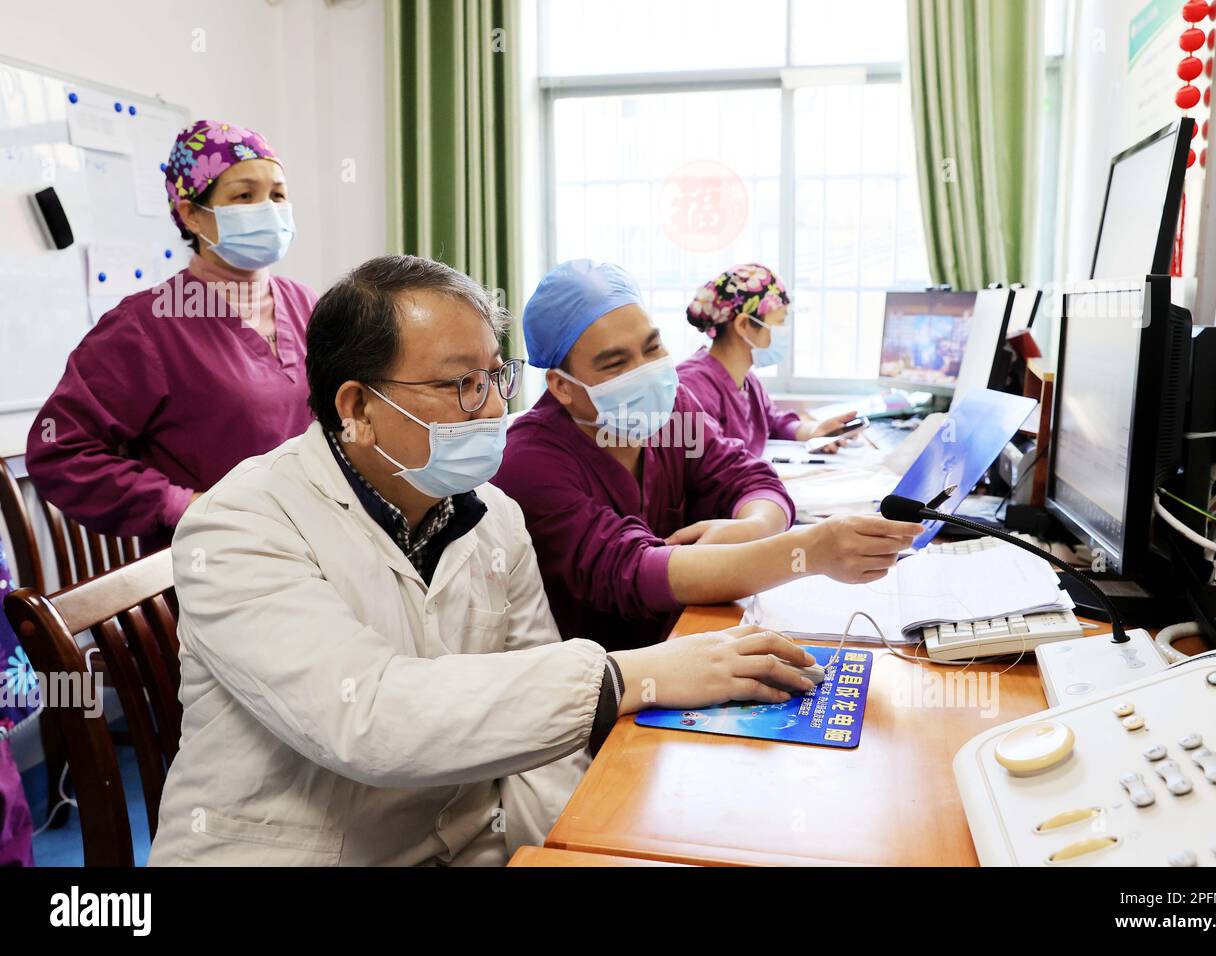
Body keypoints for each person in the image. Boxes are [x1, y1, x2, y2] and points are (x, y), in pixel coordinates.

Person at [148, 255, 816, 866]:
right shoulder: (241, 525)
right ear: (357, 408)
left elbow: (541, 747)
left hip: (465, 842)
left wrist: (565, 850)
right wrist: (631, 677)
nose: (496, 407)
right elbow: (369, 721)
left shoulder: (492, 515)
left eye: (496, 376)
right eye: (461, 384)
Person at [492, 260, 923, 651]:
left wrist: (754, 525)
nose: (646, 371)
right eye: (615, 363)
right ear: (561, 385)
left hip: (694, 635)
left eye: (652, 347)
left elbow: (750, 477)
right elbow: (634, 572)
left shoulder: (672, 411)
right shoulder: (531, 461)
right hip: (609, 684)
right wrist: (810, 551)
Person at [26, 119, 315, 550]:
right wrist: (181, 505)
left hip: (312, 545)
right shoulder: (147, 326)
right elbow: (58, 448)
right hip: (214, 562)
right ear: (191, 213)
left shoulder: (308, 304)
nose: (269, 209)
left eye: (278, 194)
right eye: (244, 196)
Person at [677, 263, 859, 456]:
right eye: (779, 321)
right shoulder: (691, 389)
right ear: (744, 324)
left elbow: (772, 422)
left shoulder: (746, 380)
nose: (785, 331)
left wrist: (814, 430)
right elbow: (713, 469)